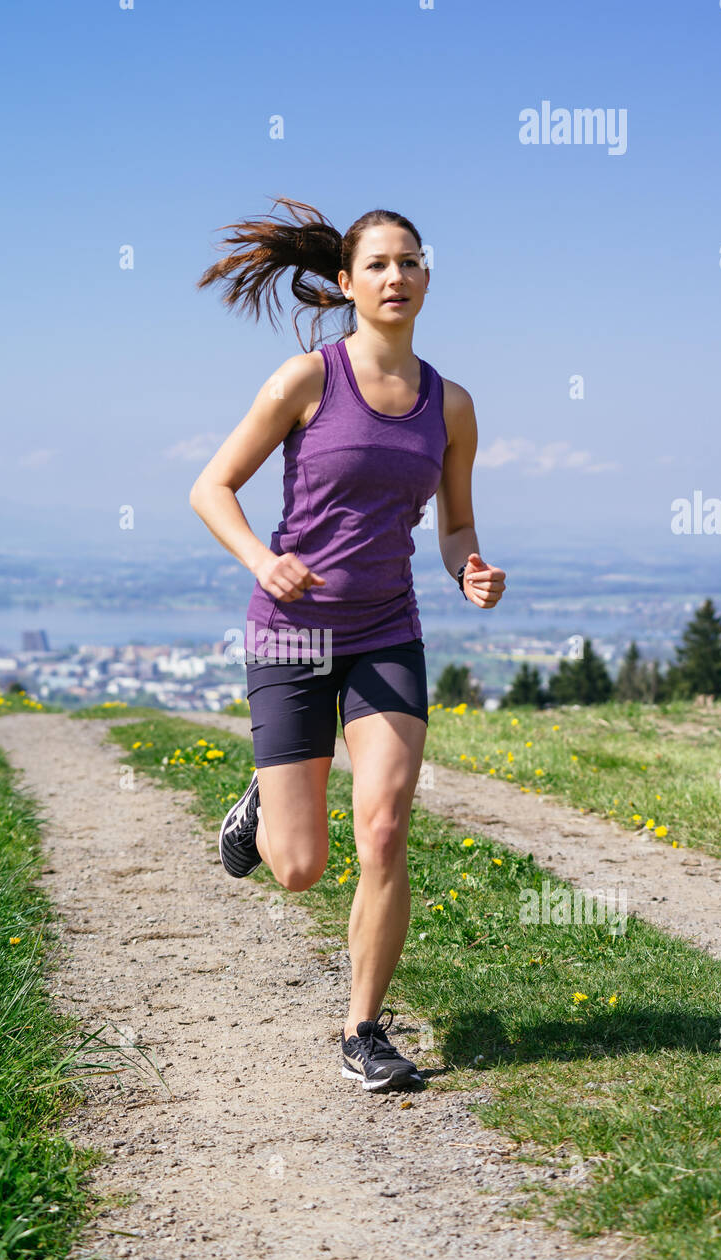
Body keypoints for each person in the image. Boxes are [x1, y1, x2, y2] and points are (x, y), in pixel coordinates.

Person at [189, 197, 506, 1092]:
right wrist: (263, 558)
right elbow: (211, 488)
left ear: (427, 279)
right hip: (291, 633)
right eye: (378, 264)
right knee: (298, 870)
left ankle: (362, 1029)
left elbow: (456, 525)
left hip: (385, 632)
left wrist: (467, 567)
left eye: (410, 262)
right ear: (347, 284)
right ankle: (264, 800)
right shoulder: (305, 380)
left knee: (386, 825)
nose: (396, 276)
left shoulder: (452, 405)